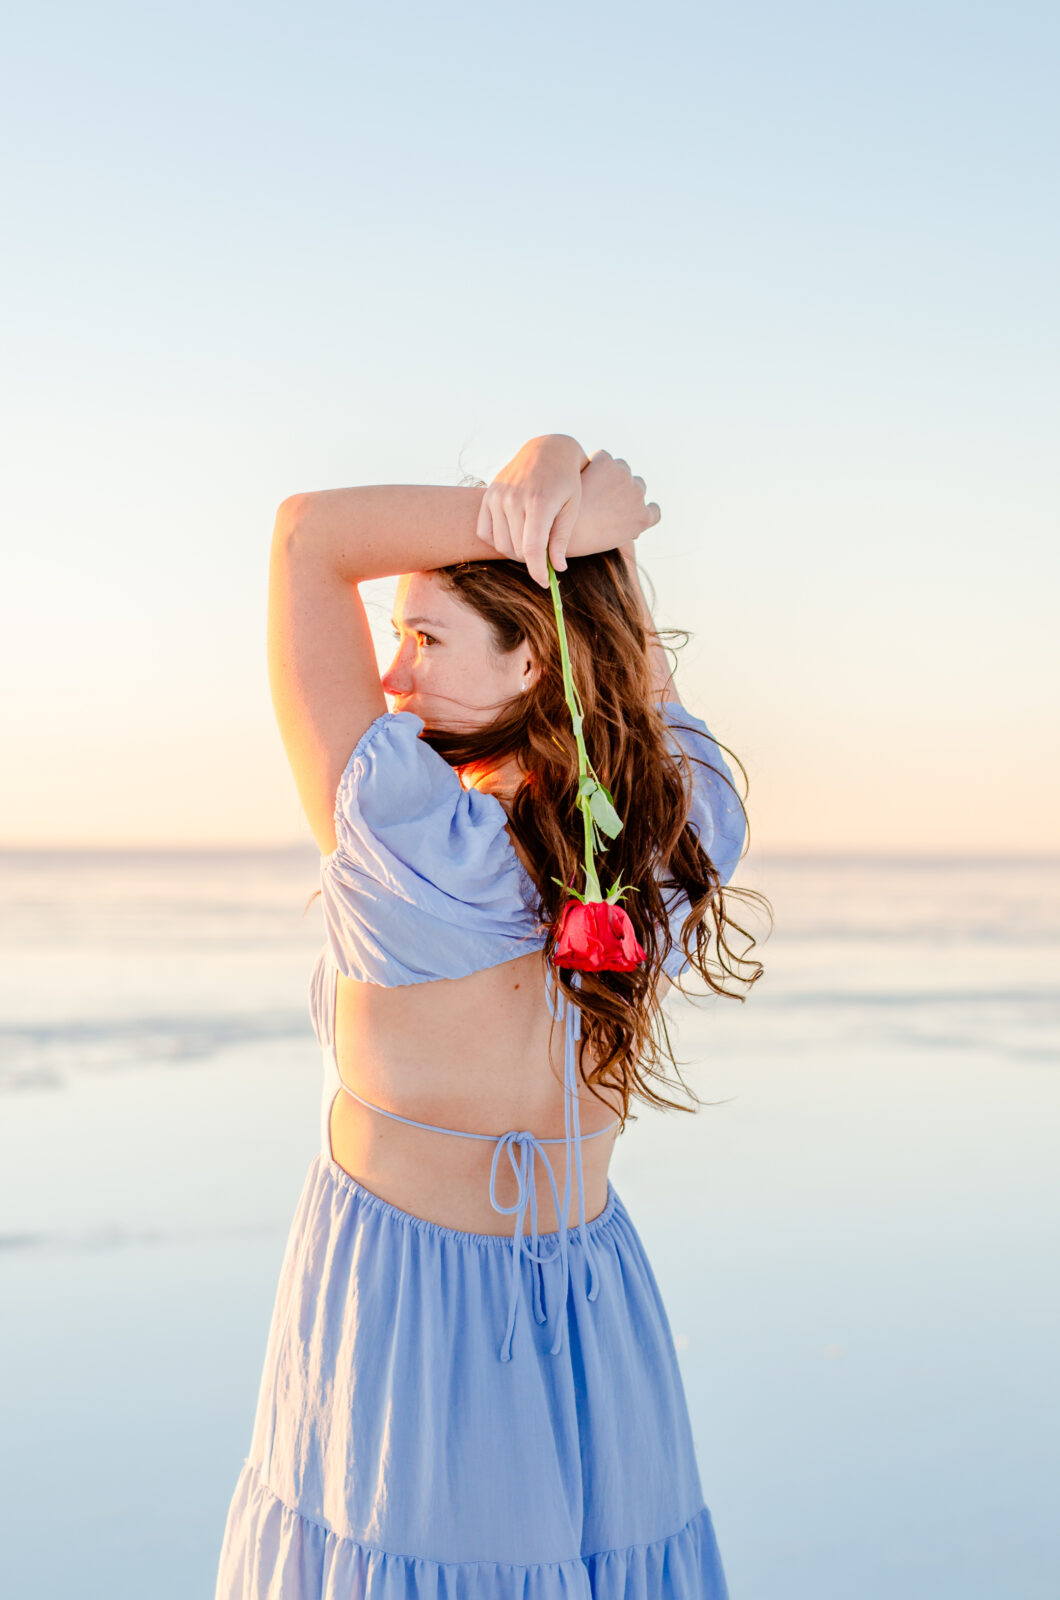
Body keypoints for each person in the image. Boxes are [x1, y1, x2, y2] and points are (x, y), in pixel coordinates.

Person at [214, 433, 762, 1598]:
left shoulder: (409, 842)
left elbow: (307, 535)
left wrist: (520, 501)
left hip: (411, 1308)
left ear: (533, 662)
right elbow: (623, 657)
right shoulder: (672, 832)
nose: (394, 676)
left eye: (422, 636)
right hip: (589, 1292)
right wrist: (562, 503)